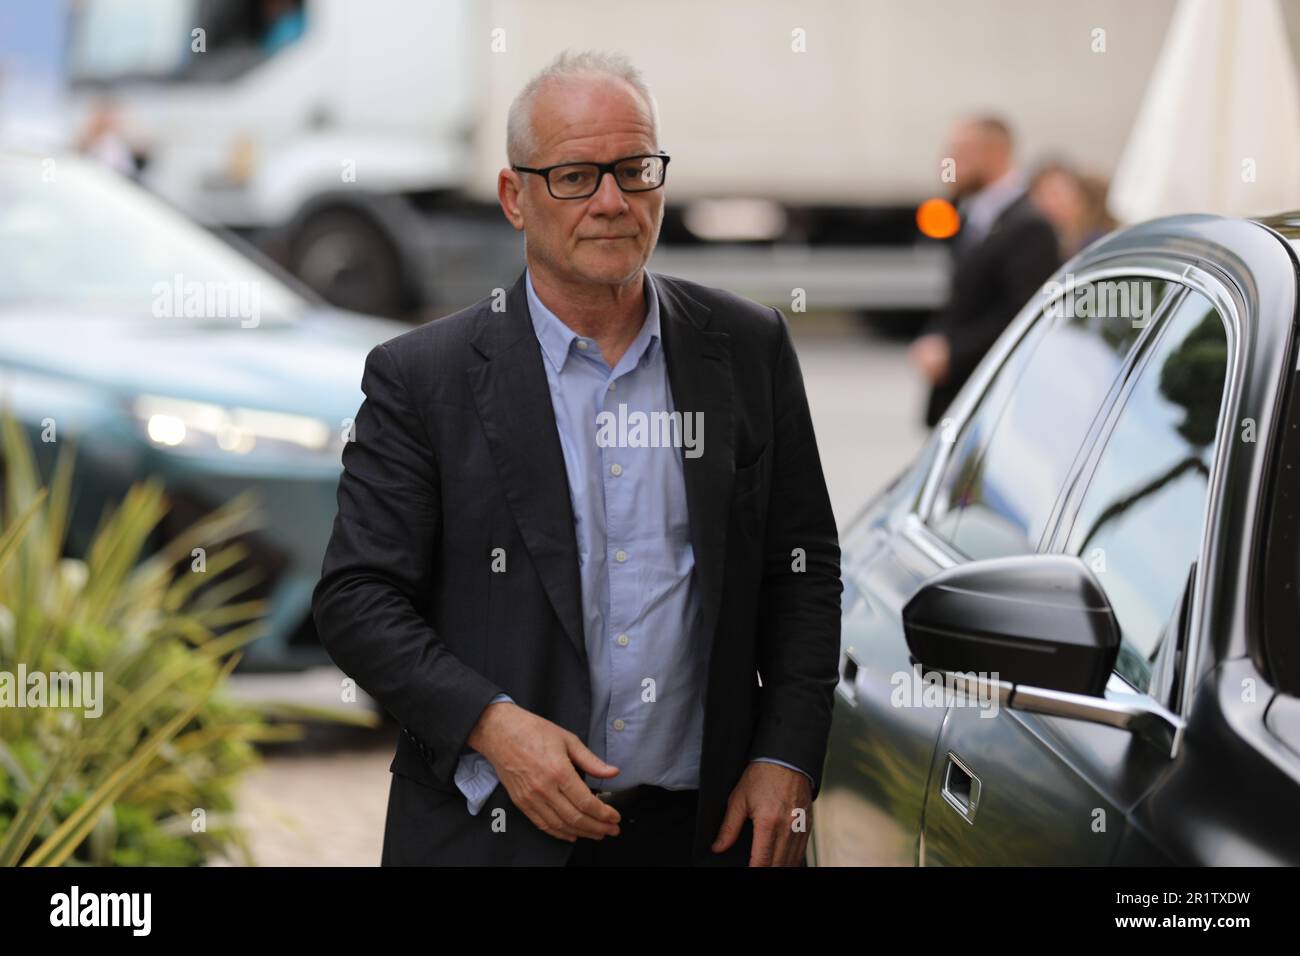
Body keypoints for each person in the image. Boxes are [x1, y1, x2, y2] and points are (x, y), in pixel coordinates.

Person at [312, 50, 842, 867]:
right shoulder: (424, 377)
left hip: (706, 832)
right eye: (574, 176)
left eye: (634, 170)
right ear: (513, 197)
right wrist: (491, 724)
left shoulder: (747, 347)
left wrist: (786, 757)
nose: (611, 201)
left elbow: (801, 571)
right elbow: (357, 598)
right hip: (490, 832)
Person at [909, 116, 1061, 429]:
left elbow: (1024, 314)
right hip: (963, 399)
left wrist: (952, 352)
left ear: (994, 153)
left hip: (998, 405)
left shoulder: (1030, 225)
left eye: (961, 153)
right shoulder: (973, 214)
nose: (948, 162)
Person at [1029, 160, 1117, 260]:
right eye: (1041, 197)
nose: (1048, 204)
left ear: (1077, 192)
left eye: (1055, 194)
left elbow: (1072, 275)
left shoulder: (1094, 242)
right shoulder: (1071, 239)